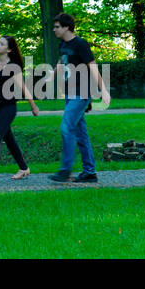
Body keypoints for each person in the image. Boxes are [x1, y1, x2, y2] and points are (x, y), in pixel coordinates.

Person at [49, 12, 110, 183]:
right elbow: (62, 61)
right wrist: (52, 76)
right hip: (70, 92)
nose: (54, 29)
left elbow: (93, 67)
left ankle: (65, 170)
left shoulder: (81, 44)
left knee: (66, 127)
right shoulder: (63, 44)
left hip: (83, 92)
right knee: (81, 133)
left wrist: (103, 90)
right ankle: (89, 172)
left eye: (57, 27)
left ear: (66, 27)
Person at [0, 35, 40, 182]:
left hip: (8, 107)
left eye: (2, 44)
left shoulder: (13, 66)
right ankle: (24, 168)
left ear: (9, 49)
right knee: (9, 139)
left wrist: (33, 106)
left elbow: (23, 88)